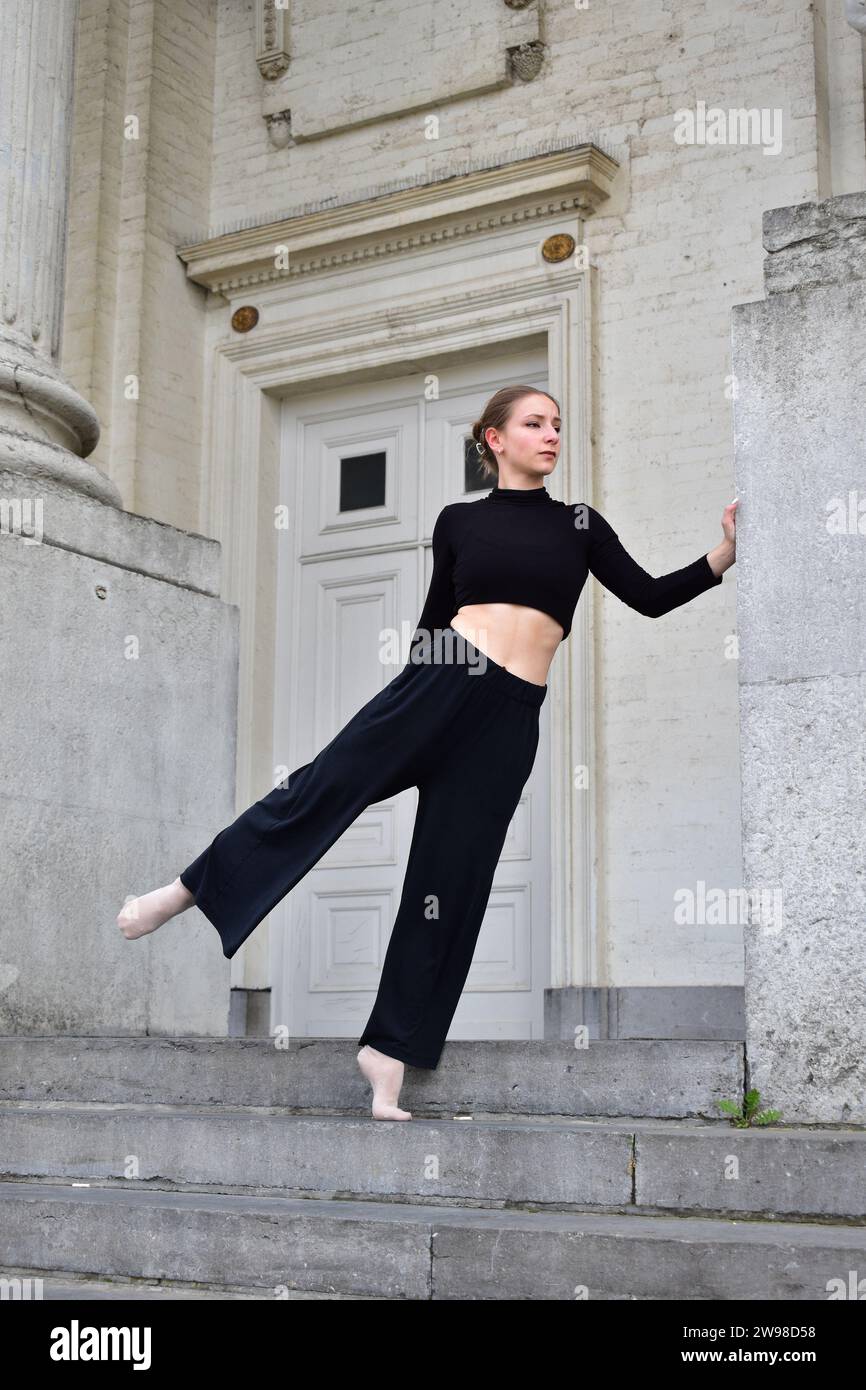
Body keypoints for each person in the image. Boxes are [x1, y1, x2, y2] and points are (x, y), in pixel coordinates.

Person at [117, 385, 737, 1120]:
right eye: (534, 424)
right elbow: (433, 621)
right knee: (323, 790)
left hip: (510, 718)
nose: (550, 436)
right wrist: (406, 701)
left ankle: (388, 1052)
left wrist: (725, 553)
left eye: (557, 426)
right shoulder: (458, 521)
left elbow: (649, 596)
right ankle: (187, 890)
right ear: (494, 439)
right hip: (440, 682)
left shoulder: (578, 524)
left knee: (453, 879)